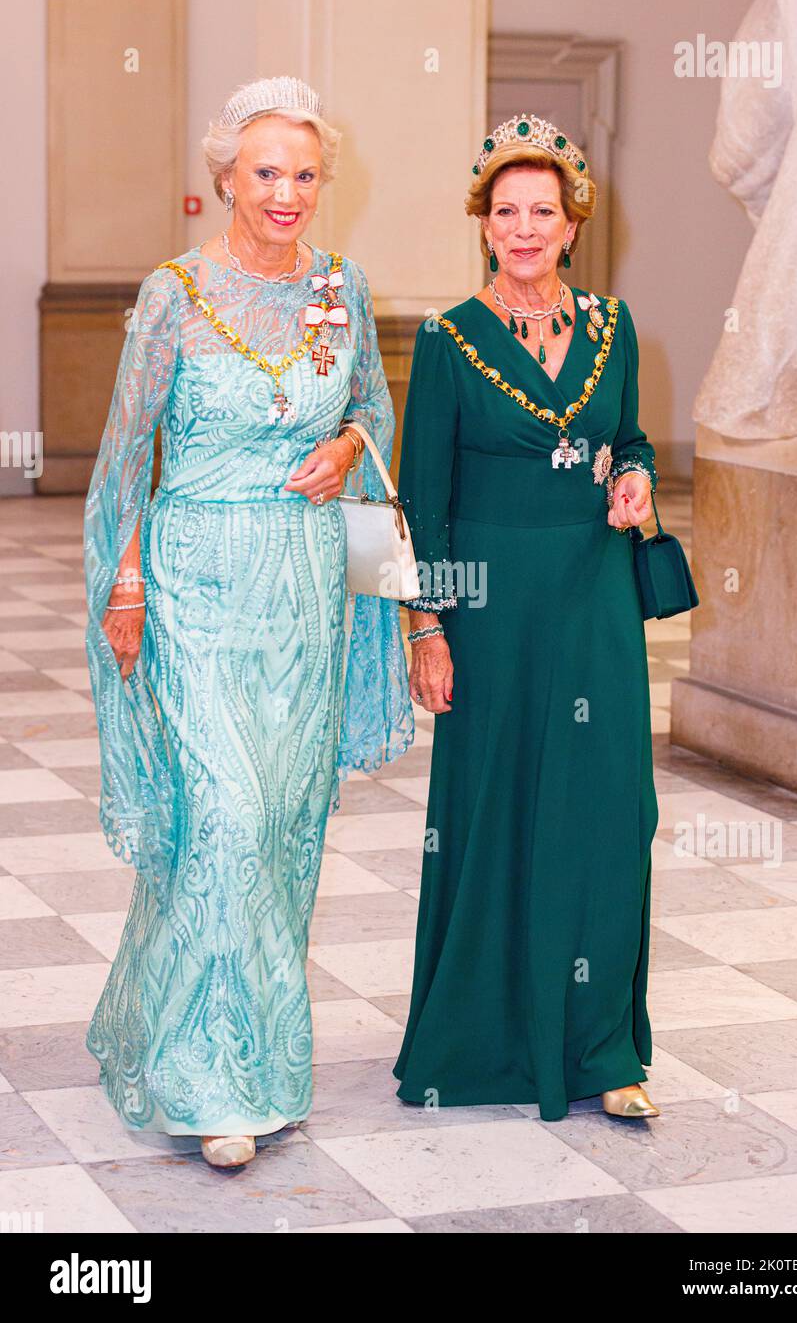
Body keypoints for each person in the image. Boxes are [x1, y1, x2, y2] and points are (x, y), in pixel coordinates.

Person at [84, 75, 413, 1168]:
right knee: (219, 816)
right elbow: (128, 454)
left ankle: (258, 1057)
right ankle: (204, 1080)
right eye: (267, 172)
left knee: (280, 827)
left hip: (306, 585)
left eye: (306, 174)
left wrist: (353, 447)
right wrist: (123, 584)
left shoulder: (343, 287)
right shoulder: (173, 293)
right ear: (225, 174)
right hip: (193, 580)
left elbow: (372, 402)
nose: (288, 193)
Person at [392, 114, 661, 1123]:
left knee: (609, 814)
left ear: (571, 219)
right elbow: (420, 498)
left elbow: (626, 437)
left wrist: (633, 479)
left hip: (593, 602)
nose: (524, 227)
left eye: (541, 209)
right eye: (506, 211)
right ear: (484, 223)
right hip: (492, 611)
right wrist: (428, 626)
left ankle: (602, 1050)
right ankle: (488, 1042)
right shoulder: (448, 338)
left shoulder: (614, 326)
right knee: (497, 811)